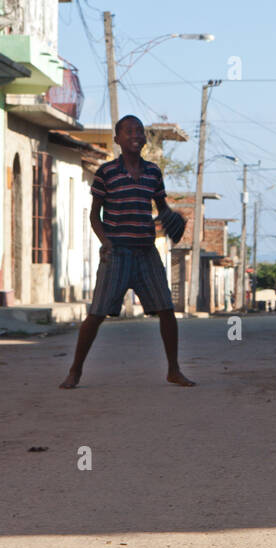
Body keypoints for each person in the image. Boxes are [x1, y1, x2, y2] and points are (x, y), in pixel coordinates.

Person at [60, 115, 195, 389]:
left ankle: (173, 370)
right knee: (96, 314)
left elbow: (162, 208)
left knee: (167, 310)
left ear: (145, 139)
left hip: (146, 251)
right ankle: (75, 371)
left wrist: (174, 220)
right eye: (129, 131)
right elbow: (95, 216)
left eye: (139, 131)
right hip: (117, 252)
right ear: (117, 139)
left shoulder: (153, 173)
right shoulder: (106, 172)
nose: (135, 135)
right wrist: (105, 242)